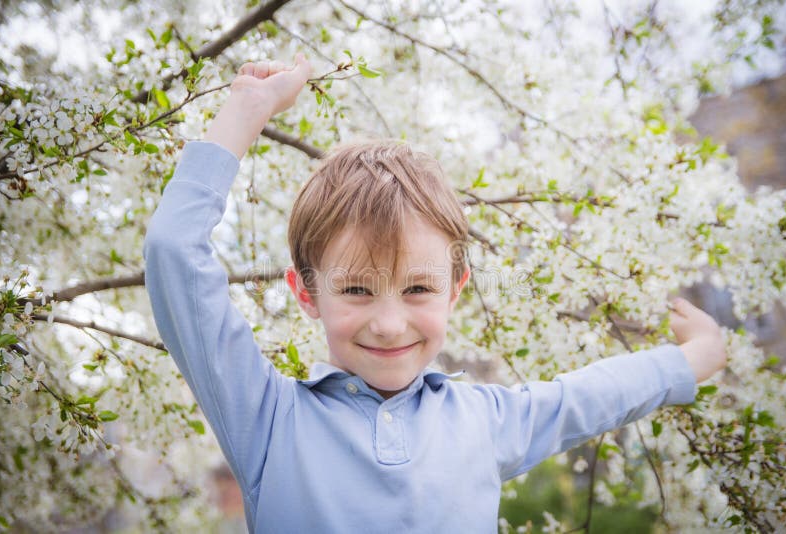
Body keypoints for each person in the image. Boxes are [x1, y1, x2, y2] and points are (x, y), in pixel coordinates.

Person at [143, 54, 727, 533]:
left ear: (457, 288)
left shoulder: (486, 420)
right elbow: (174, 251)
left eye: (418, 288)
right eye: (356, 290)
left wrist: (692, 359)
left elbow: (592, 395)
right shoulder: (266, 420)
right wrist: (248, 109)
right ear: (306, 292)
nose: (390, 324)